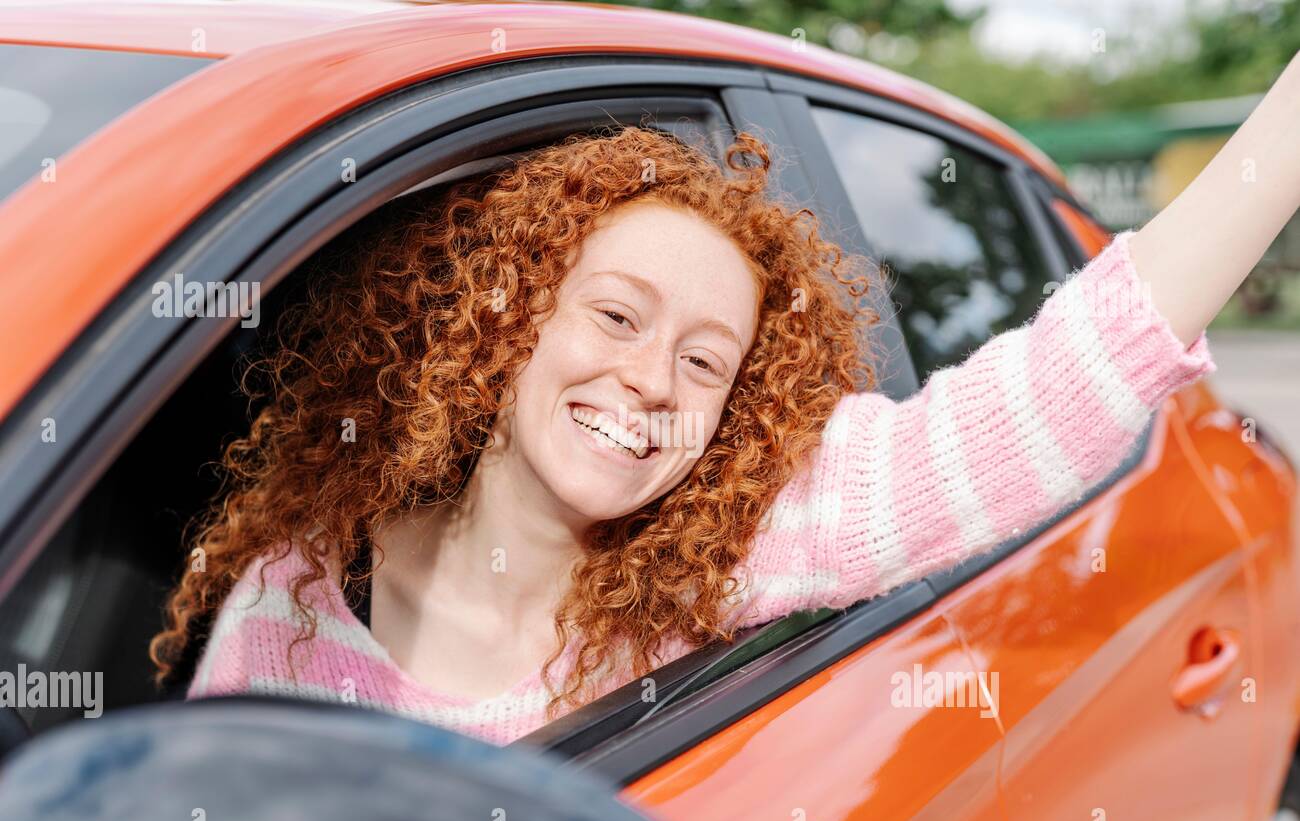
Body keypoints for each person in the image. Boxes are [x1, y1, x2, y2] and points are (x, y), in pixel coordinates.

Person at [151, 52, 1300, 746]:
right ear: (504, 317)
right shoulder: (295, 591)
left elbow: (1057, 388)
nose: (650, 380)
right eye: (614, 316)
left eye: (706, 362)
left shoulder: (717, 563)